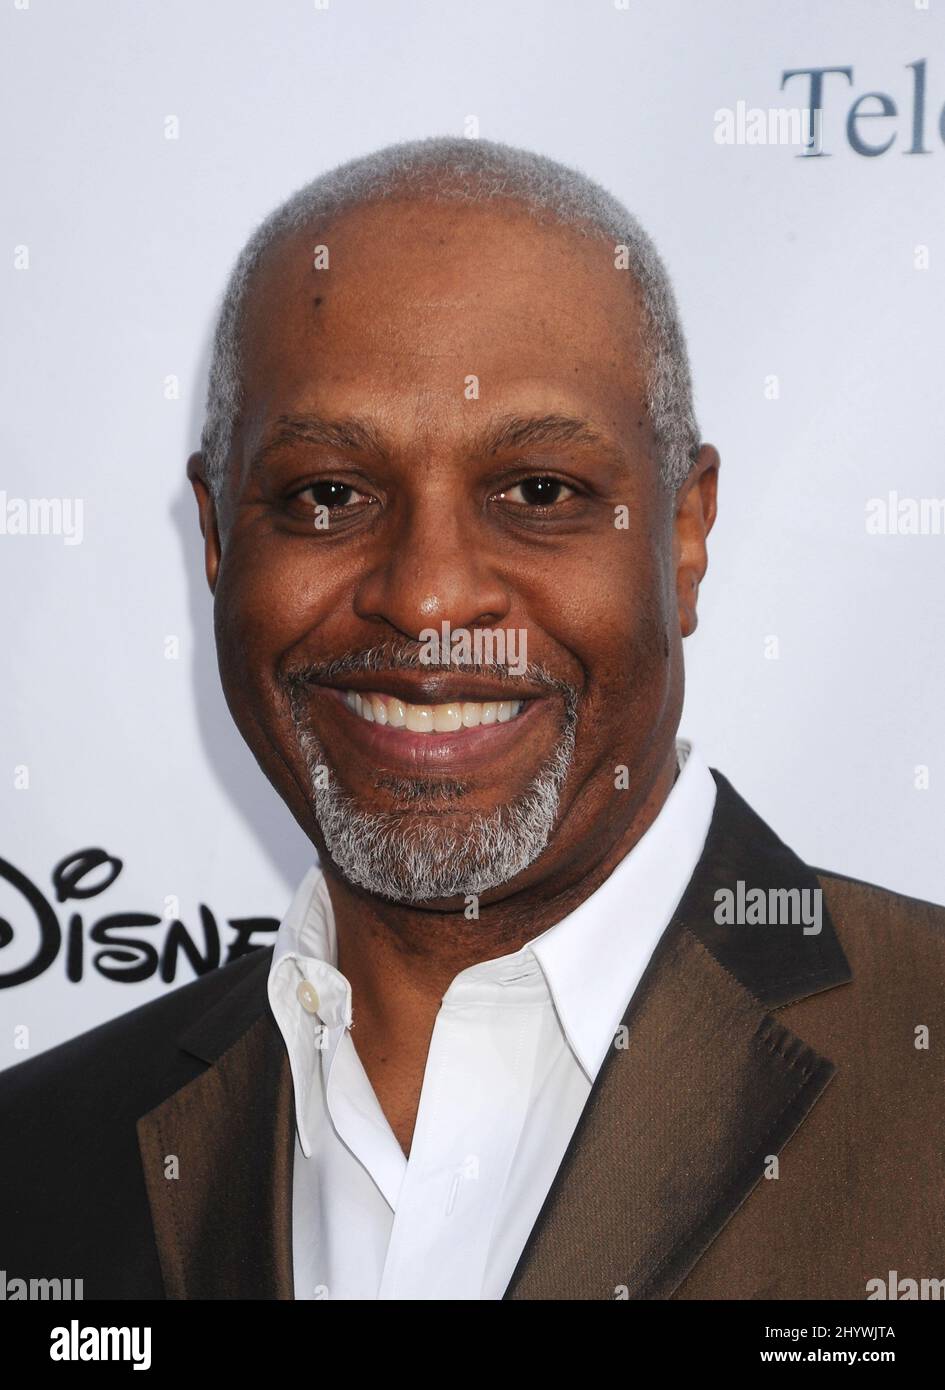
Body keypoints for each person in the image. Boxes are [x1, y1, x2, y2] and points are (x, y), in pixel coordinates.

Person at [1, 136, 942, 1301]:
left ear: (685, 533)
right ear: (215, 537)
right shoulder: (36, 1164)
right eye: (327, 495)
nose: (432, 595)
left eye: (538, 492)